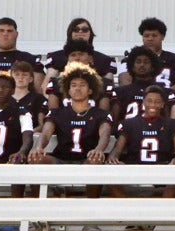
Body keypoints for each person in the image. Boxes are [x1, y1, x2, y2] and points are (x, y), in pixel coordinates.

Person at [28, 63, 112, 198]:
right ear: (68, 89)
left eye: (82, 85)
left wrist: (98, 149)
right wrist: (39, 147)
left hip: (87, 159)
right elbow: (46, 133)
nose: (77, 88)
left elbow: (105, 133)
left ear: (90, 90)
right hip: (61, 159)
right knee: (36, 159)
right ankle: (41, 205)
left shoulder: (100, 114)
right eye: (73, 85)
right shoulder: (57, 113)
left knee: (96, 161)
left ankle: (91, 203)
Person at [107, 85, 175, 198]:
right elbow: (117, 149)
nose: (153, 105)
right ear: (143, 102)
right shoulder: (129, 123)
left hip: (162, 165)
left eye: (157, 101)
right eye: (149, 101)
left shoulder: (172, 124)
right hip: (135, 165)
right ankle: (127, 209)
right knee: (107, 173)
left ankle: (163, 209)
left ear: (163, 104)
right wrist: (113, 157)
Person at [42, 18, 116, 94]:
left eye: (85, 29)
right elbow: (46, 86)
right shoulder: (56, 57)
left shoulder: (104, 60)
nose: (80, 31)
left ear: (90, 34)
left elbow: (109, 89)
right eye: (76, 29)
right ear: (70, 33)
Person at [117, 17, 175, 92]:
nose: (150, 39)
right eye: (146, 36)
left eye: (154, 35)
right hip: (136, 98)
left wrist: (164, 95)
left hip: (168, 100)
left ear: (162, 37)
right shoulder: (131, 58)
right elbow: (124, 82)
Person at [111, 46, 175, 126]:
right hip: (128, 135)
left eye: (146, 62)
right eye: (138, 62)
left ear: (153, 66)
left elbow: (168, 122)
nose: (142, 65)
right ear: (132, 66)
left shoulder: (165, 92)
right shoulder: (120, 92)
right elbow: (114, 123)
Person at [46, 40, 112, 112]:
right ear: (68, 59)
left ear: (90, 58)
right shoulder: (55, 83)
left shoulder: (104, 83)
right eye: (73, 55)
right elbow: (53, 114)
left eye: (81, 54)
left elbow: (103, 115)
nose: (77, 58)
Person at [11, 61, 48, 131]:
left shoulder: (39, 99)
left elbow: (41, 125)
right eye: (17, 74)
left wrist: (27, 135)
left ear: (31, 79)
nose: (20, 78)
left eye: (24, 75)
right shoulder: (4, 99)